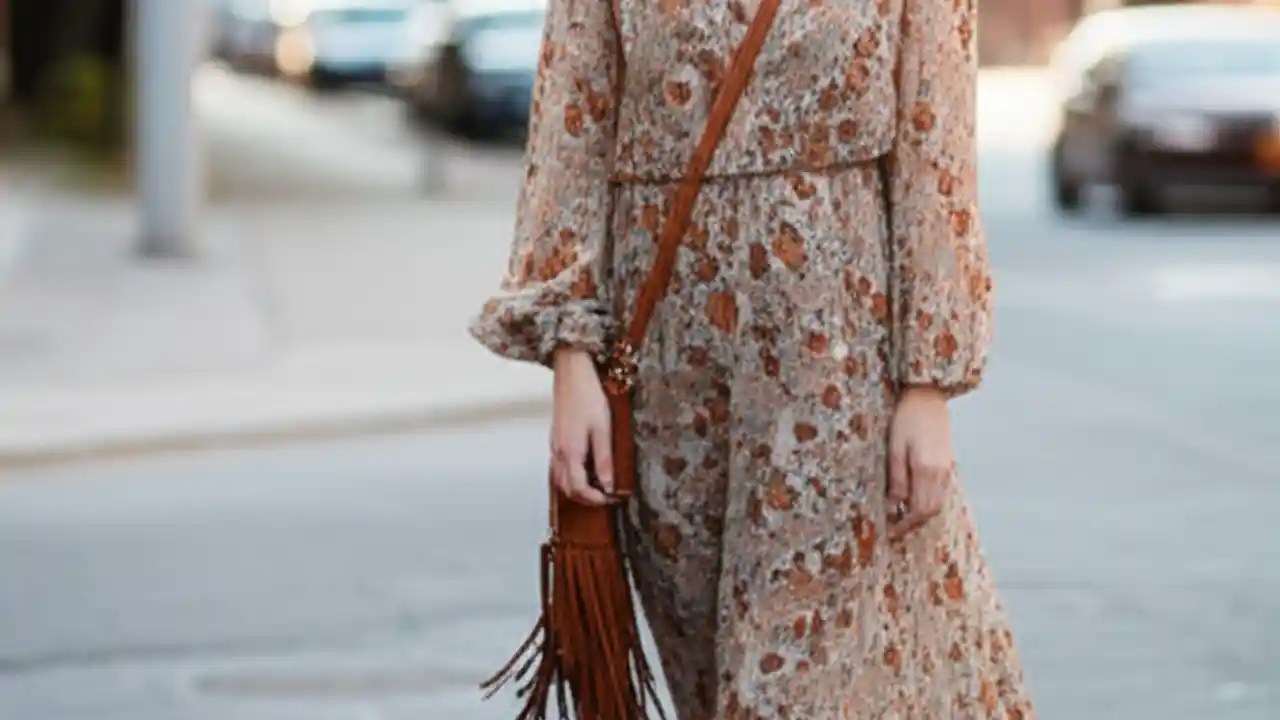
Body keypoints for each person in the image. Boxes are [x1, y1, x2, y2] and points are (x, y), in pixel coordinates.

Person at [470, 0, 1035, 716]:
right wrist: (570, 354)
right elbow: (571, 126)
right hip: (666, 382)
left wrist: (929, 382)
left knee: (790, 687)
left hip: (836, 370)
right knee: (712, 688)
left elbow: (936, 143)